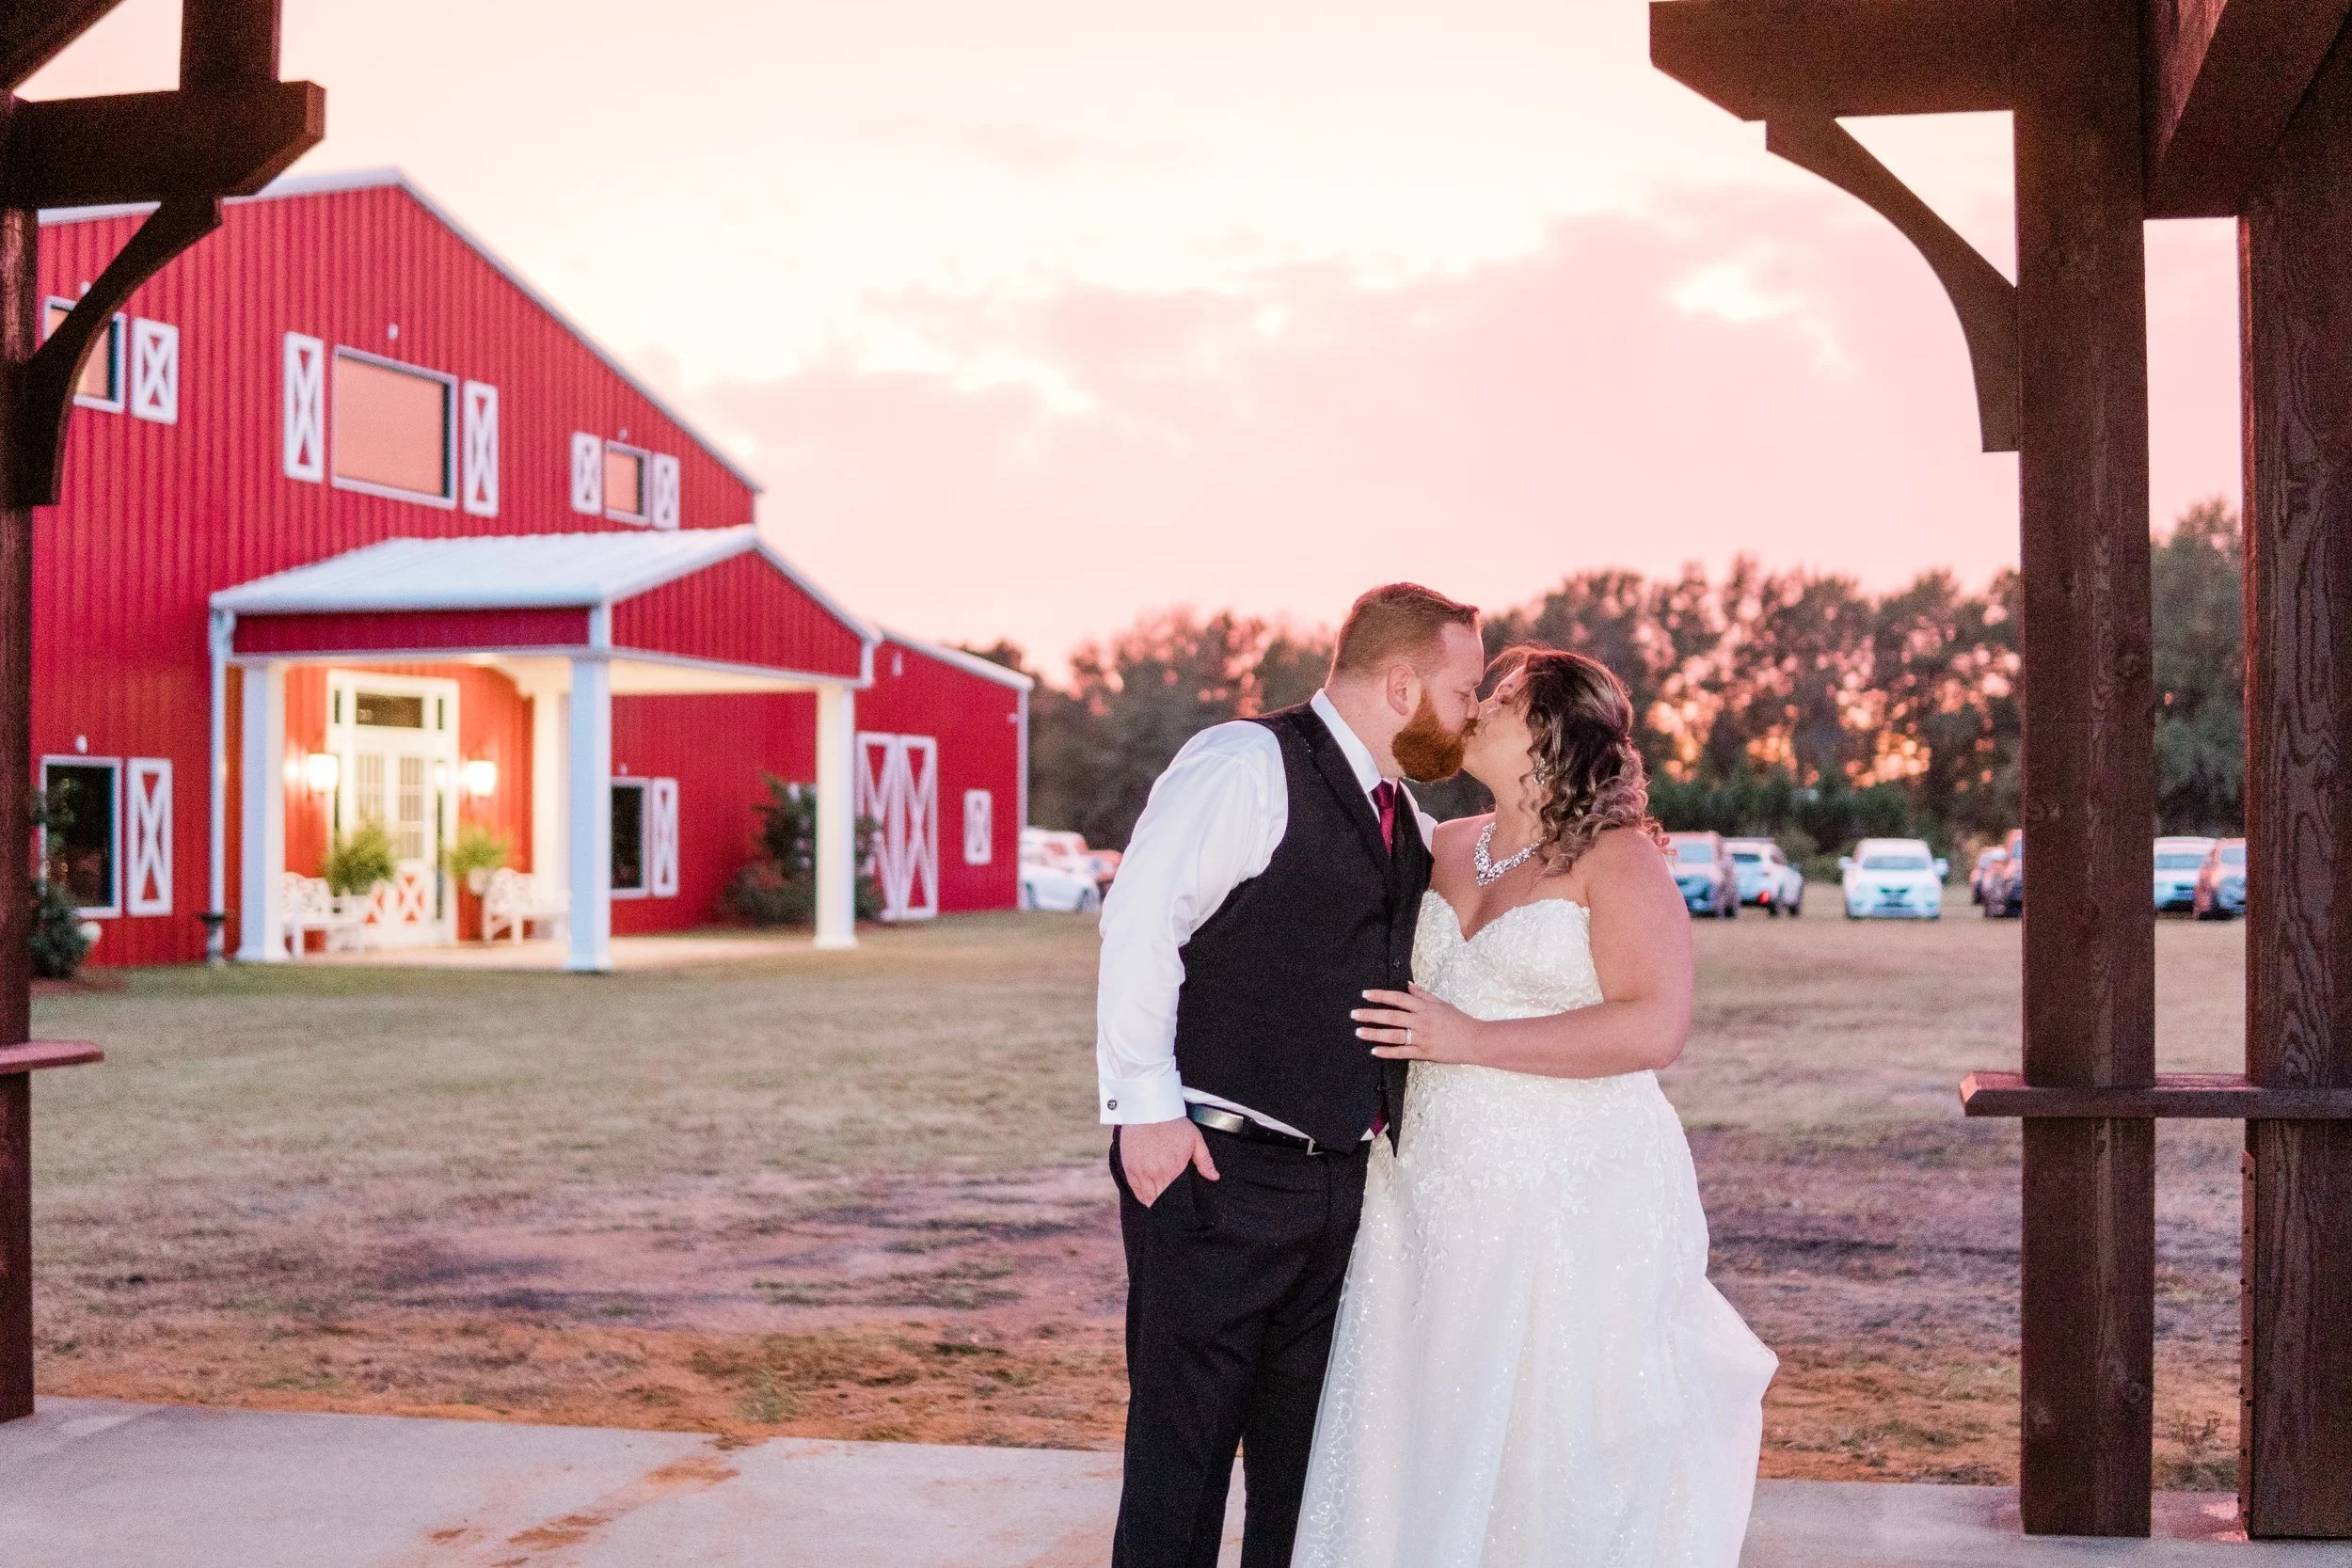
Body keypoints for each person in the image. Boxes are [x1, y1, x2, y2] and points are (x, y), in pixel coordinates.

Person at [1292, 647, 1776, 1568]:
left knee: (1547, 1427)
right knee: (1423, 1409)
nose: (1473, 704)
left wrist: (1470, 1038)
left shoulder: (1618, 860)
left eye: (1500, 695)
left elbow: (1654, 1026)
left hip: (1569, 1193)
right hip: (1423, 1189)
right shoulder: (1438, 844)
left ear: (1554, 729)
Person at [1097, 582, 1488, 1568]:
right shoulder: (1244, 764)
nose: (1472, 710)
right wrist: (1145, 1111)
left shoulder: (1398, 803)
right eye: (1464, 687)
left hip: (1339, 1184)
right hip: (1219, 1175)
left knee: (1305, 1474)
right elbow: (1143, 920)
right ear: (1403, 684)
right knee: (1180, 1466)